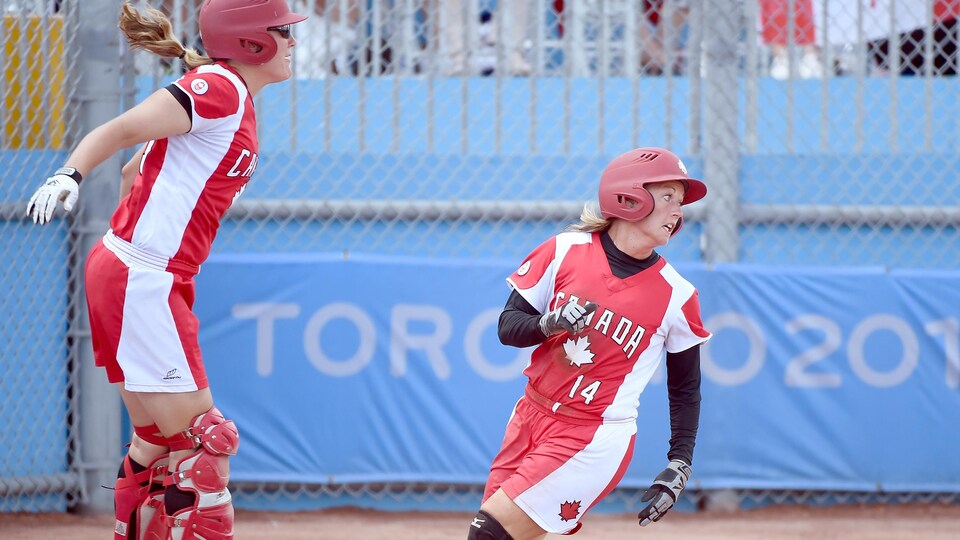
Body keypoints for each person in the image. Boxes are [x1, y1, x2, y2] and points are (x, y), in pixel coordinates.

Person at [25, 1, 306, 538]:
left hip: (138, 273)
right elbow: (121, 131)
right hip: (144, 276)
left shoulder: (230, 93)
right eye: (284, 31)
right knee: (206, 447)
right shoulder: (219, 87)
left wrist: (133, 246)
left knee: (160, 446)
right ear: (252, 41)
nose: (292, 41)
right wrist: (71, 174)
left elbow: (137, 172)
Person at [467, 147, 711, 539]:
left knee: (489, 533)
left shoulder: (677, 295)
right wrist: (550, 323)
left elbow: (685, 388)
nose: (678, 212)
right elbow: (507, 327)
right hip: (530, 415)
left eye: (680, 203)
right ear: (629, 196)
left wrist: (680, 462)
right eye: (668, 197)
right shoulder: (564, 251)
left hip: (592, 436)